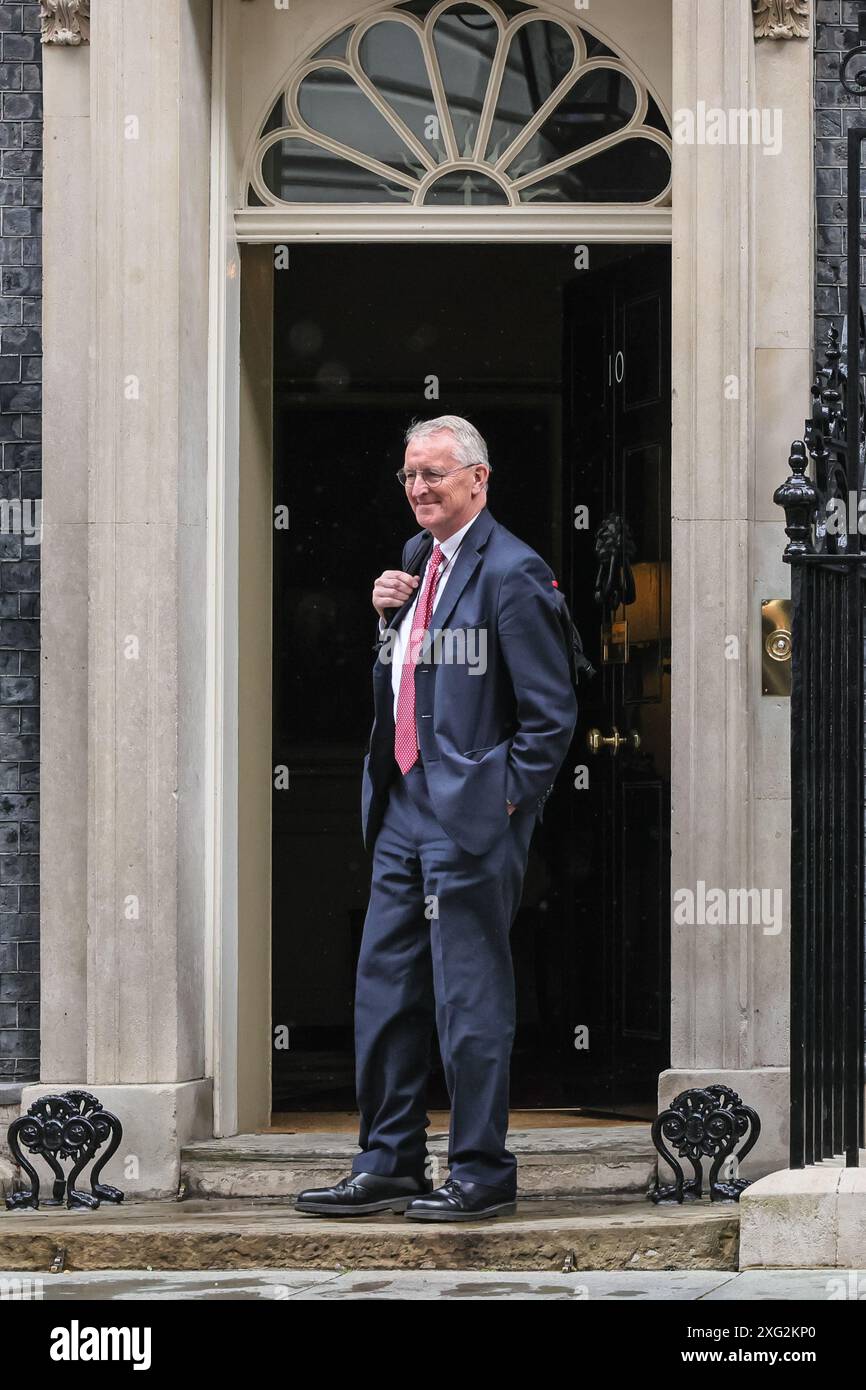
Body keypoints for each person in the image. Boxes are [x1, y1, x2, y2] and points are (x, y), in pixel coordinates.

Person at [296, 416, 577, 1221]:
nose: (418, 488)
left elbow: (551, 718)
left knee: (468, 1000)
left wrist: (503, 801)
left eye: (435, 475)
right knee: (383, 991)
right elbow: (417, 677)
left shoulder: (516, 571)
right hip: (400, 806)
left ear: (479, 480)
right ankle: (388, 1161)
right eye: (409, 476)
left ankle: (482, 1170)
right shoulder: (420, 561)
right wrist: (389, 621)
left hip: (469, 815)